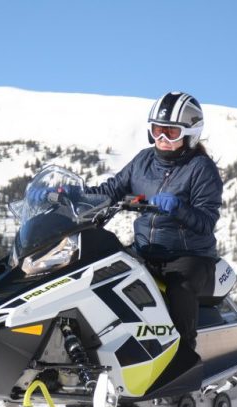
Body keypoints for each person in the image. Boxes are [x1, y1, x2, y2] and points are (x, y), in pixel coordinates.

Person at [85, 91, 223, 359]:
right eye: (157, 130)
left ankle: (183, 361)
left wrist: (179, 208)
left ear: (190, 133)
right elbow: (110, 190)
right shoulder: (143, 160)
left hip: (189, 257)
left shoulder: (201, 168)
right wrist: (71, 196)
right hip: (146, 251)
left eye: (170, 133)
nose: (162, 139)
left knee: (179, 289)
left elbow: (206, 221)